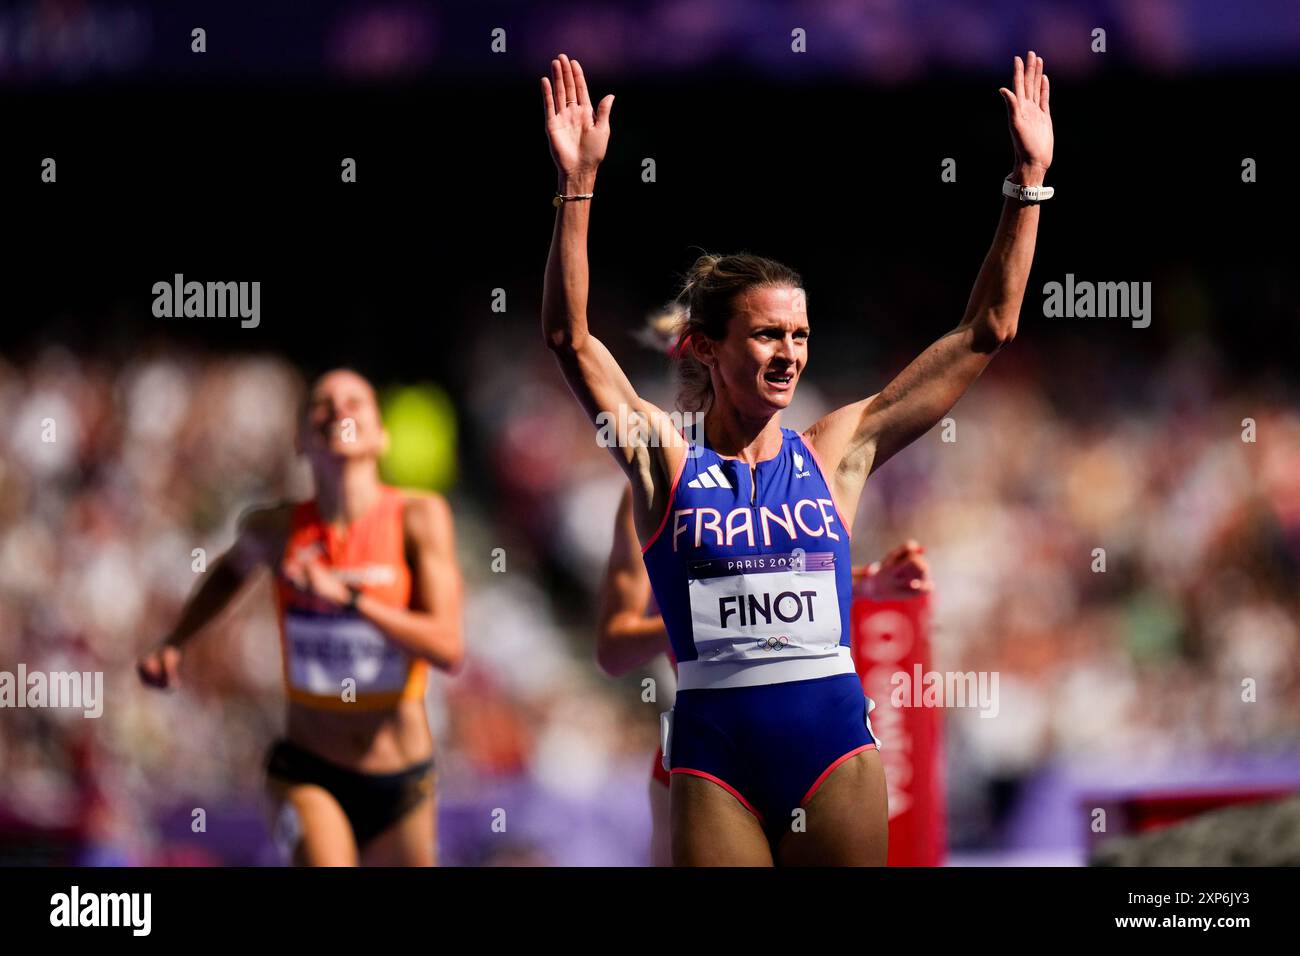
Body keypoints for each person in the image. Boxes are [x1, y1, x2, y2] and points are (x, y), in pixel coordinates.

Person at [540, 50, 1052, 864]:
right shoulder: (664, 460)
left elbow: (985, 332)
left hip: (832, 751)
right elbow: (571, 340)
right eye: (769, 334)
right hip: (713, 758)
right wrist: (577, 187)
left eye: (802, 335)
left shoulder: (837, 449)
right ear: (707, 347)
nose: (790, 353)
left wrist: (1027, 180)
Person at [137, 368, 465, 866]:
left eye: (355, 401)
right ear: (299, 440)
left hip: (403, 781)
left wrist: (352, 600)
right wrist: (177, 640)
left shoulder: (418, 518)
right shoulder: (273, 529)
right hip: (309, 772)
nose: (338, 410)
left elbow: (447, 647)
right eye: (322, 403)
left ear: (380, 436)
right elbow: (227, 572)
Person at [598, 482, 932, 866]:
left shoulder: (798, 468)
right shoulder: (653, 483)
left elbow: (775, 580)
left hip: (822, 752)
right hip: (707, 760)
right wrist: (700, 620)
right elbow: (612, 650)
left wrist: (871, 581)